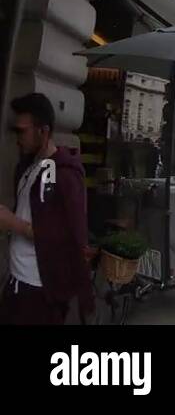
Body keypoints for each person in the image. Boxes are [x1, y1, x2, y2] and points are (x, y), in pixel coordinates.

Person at [0, 93, 94, 324]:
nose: (17, 139)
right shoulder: (28, 167)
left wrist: (14, 223)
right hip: (16, 282)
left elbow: (69, 238)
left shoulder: (65, 175)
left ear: (43, 131)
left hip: (40, 291)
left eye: (22, 131)